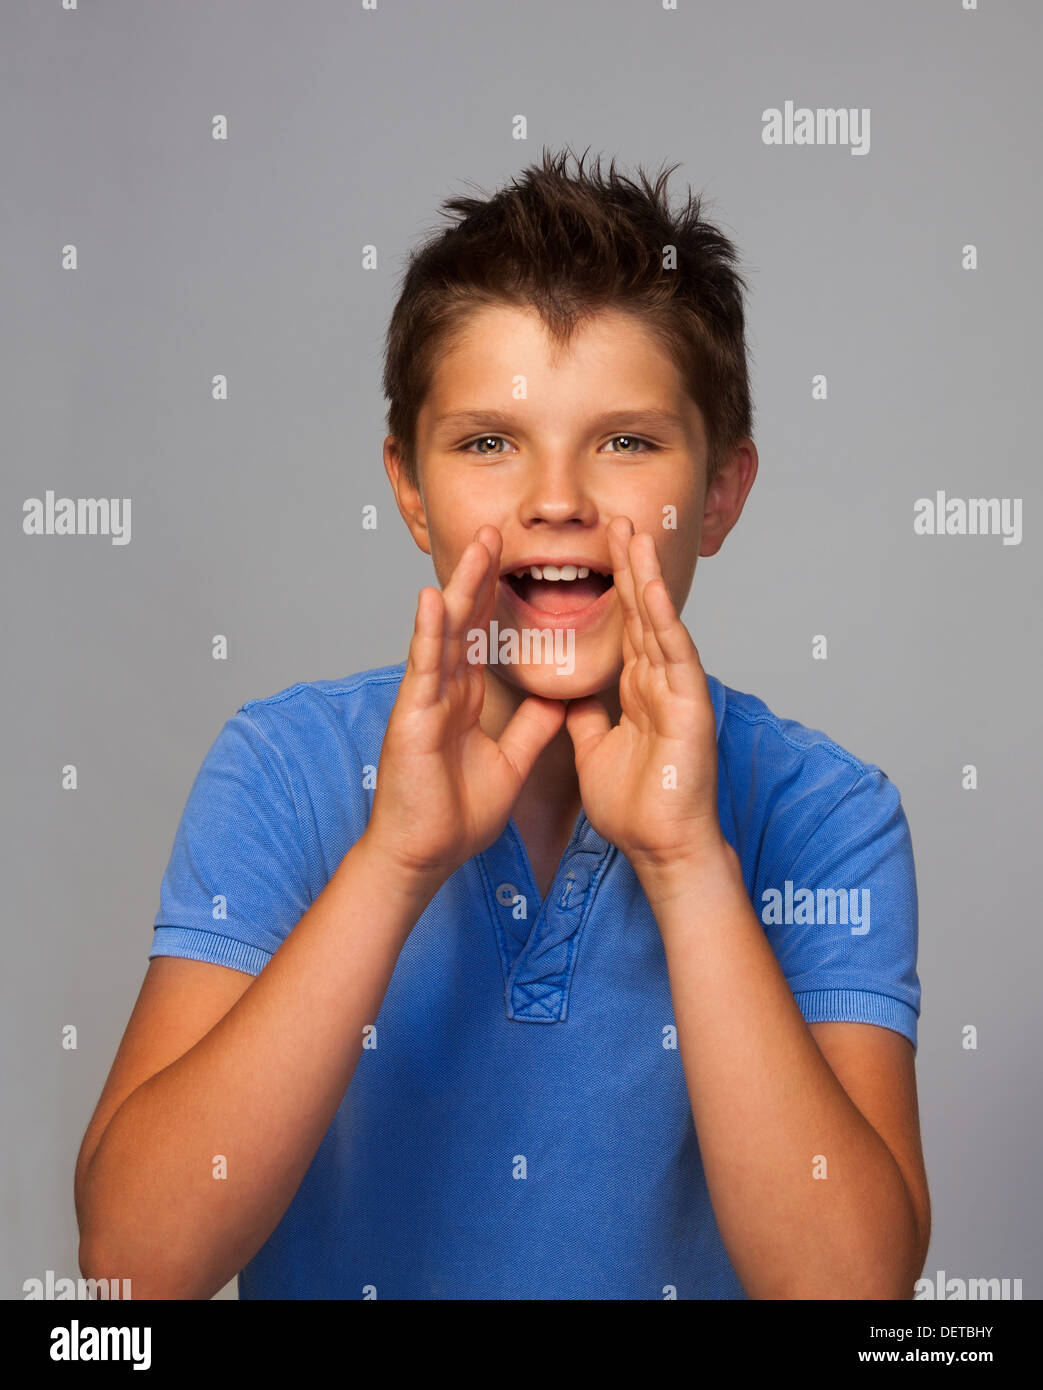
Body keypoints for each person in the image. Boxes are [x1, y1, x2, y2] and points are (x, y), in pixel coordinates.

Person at [74, 147, 929, 1300]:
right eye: (488, 441)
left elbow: (851, 1299)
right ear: (409, 485)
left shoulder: (822, 814)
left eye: (626, 441)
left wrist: (685, 865)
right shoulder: (285, 772)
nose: (556, 498)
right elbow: (132, 1267)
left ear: (720, 493)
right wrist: (392, 860)